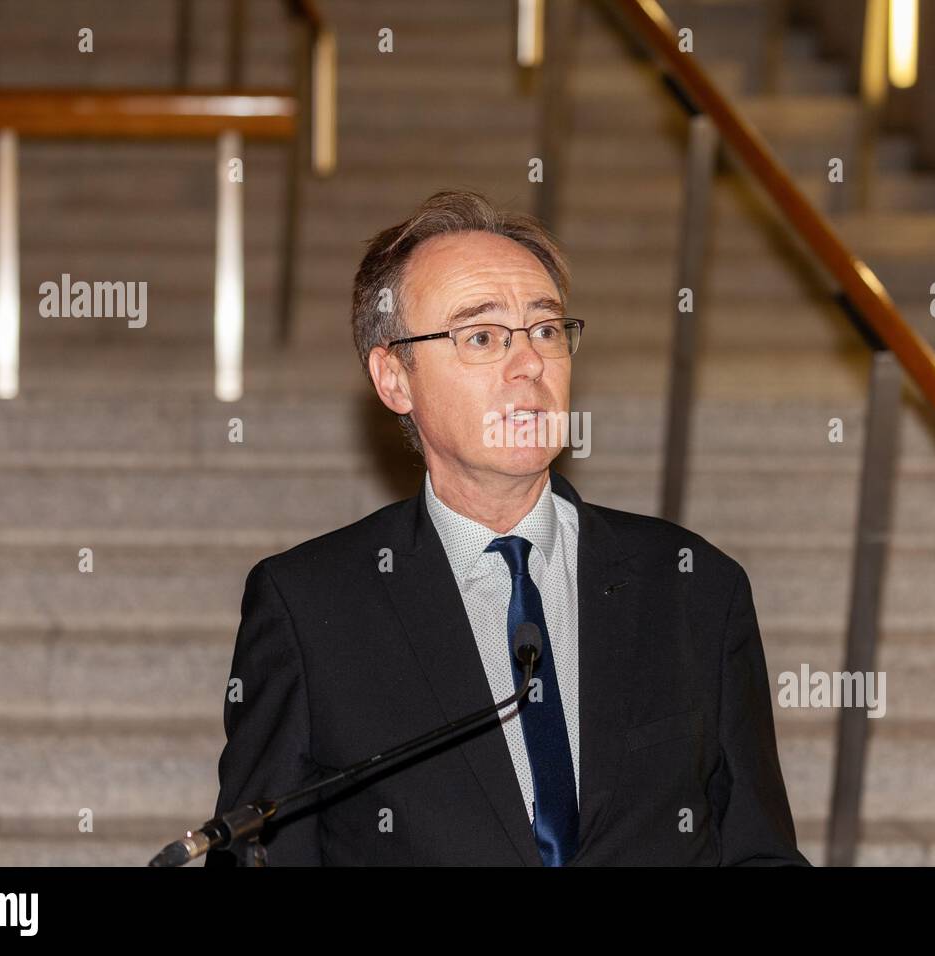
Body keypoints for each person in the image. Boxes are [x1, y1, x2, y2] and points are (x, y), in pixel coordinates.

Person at [207, 190, 808, 866]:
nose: (530, 364)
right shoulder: (311, 609)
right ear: (394, 378)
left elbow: (760, 851)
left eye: (547, 330)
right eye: (483, 336)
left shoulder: (693, 586)